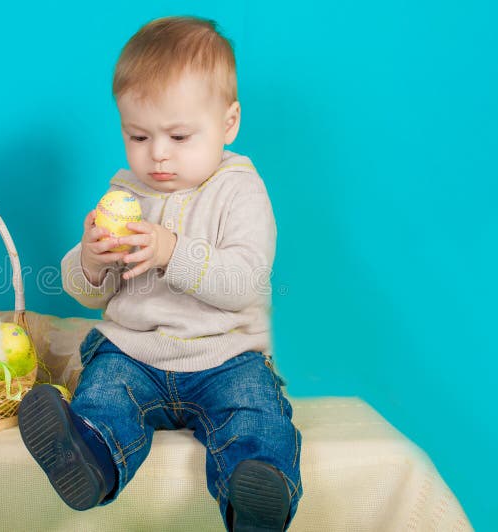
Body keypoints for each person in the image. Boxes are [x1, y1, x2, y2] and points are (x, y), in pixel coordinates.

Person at [18, 15, 302, 531]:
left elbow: (243, 282)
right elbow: (86, 293)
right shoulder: (125, 192)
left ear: (228, 124)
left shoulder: (239, 190)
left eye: (179, 135)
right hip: (135, 354)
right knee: (105, 392)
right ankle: (88, 459)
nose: (158, 154)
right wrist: (91, 261)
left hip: (225, 356)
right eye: (138, 135)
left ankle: (256, 491)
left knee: (254, 413)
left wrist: (172, 252)